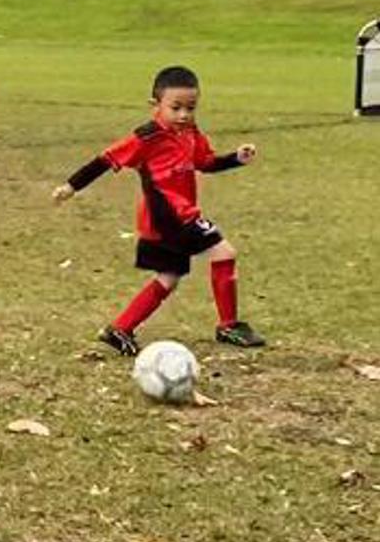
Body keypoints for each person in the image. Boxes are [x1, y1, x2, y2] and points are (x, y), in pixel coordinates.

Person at [53, 64, 264, 355]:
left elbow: (205, 163)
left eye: (190, 107)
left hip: (167, 220)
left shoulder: (190, 132)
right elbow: (104, 160)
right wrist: (71, 186)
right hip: (172, 218)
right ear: (156, 105)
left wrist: (235, 159)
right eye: (175, 107)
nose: (183, 115)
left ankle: (119, 329)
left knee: (169, 277)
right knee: (224, 253)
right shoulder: (146, 138)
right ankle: (228, 325)